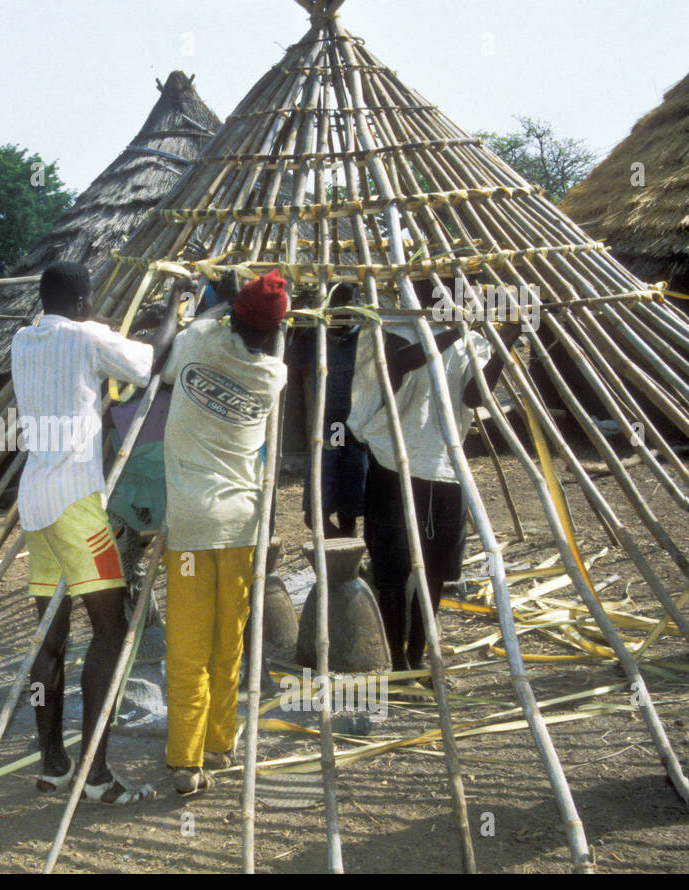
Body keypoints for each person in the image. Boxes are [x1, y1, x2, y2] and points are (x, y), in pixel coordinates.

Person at [11, 261, 176, 804]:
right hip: (78, 505)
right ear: (84, 302)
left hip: (35, 503)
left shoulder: (22, 339)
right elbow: (149, 363)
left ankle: (54, 763)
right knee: (112, 629)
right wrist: (173, 309)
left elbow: (82, 333)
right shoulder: (89, 338)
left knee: (49, 639)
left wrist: (108, 323)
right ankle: (96, 774)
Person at [347, 276, 520, 673]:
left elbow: (474, 396)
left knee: (437, 565)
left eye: (455, 286)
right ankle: (396, 659)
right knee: (392, 566)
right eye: (438, 286)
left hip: (444, 464)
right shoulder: (389, 328)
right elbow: (400, 366)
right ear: (416, 288)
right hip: (394, 460)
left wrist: (507, 336)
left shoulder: (466, 336)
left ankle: (417, 653)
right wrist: (454, 333)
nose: (451, 293)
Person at [161, 270, 289, 795]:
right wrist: (243, 306)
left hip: (190, 528)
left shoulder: (195, 342)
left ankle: (186, 761)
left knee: (188, 645)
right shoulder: (274, 376)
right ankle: (219, 743)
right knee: (227, 641)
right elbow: (256, 332)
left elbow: (185, 337)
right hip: (241, 525)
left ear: (232, 313)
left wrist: (217, 300)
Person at [287, 284, 368, 538]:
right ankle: (342, 552)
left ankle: (346, 559)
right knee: (316, 513)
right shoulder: (316, 336)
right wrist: (298, 323)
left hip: (355, 428)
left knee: (349, 508)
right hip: (330, 429)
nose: (344, 319)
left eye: (350, 312)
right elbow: (290, 359)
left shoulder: (366, 335)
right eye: (339, 312)